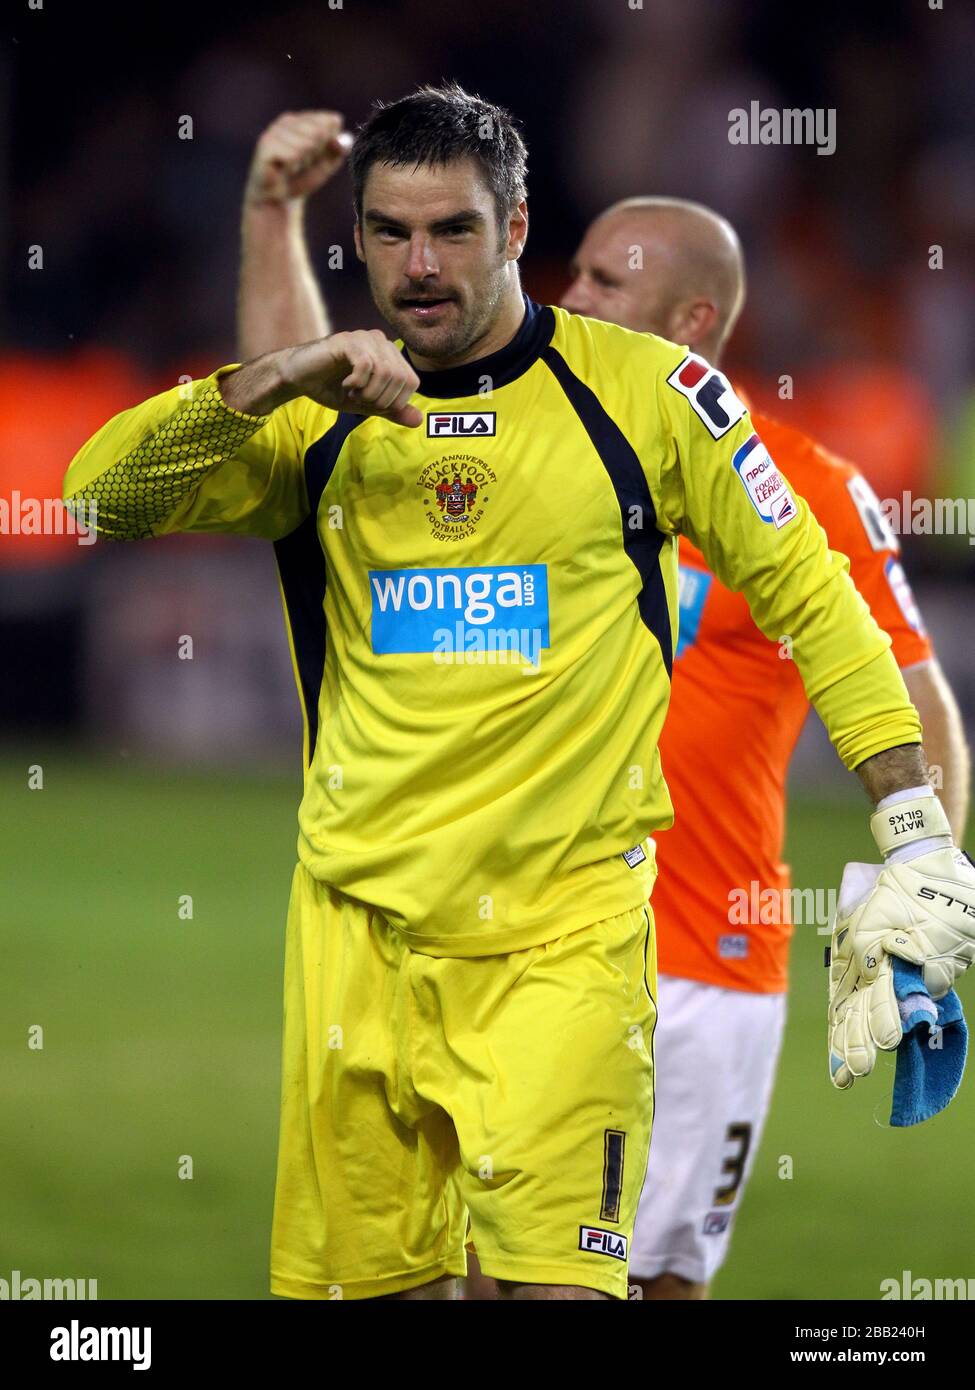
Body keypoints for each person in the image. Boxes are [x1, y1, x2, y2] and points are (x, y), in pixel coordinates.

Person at [63, 83, 975, 1302]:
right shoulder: (323, 417)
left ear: (517, 229)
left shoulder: (650, 397)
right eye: (389, 234)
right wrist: (277, 372)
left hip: (565, 944)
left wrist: (912, 830)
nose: (420, 265)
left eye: (453, 231)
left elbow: (820, 604)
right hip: (356, 947)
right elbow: (96, 497)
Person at [561, 197, 971, 1299]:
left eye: (604, 282)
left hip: (702, 960)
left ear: (691, 320)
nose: (570, 299)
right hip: (528, 944)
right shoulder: (527, 457)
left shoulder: (804, 487)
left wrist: (917, 882)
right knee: (478, 1273)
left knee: (655, 1284)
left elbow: (916, 693)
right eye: (577, 274)